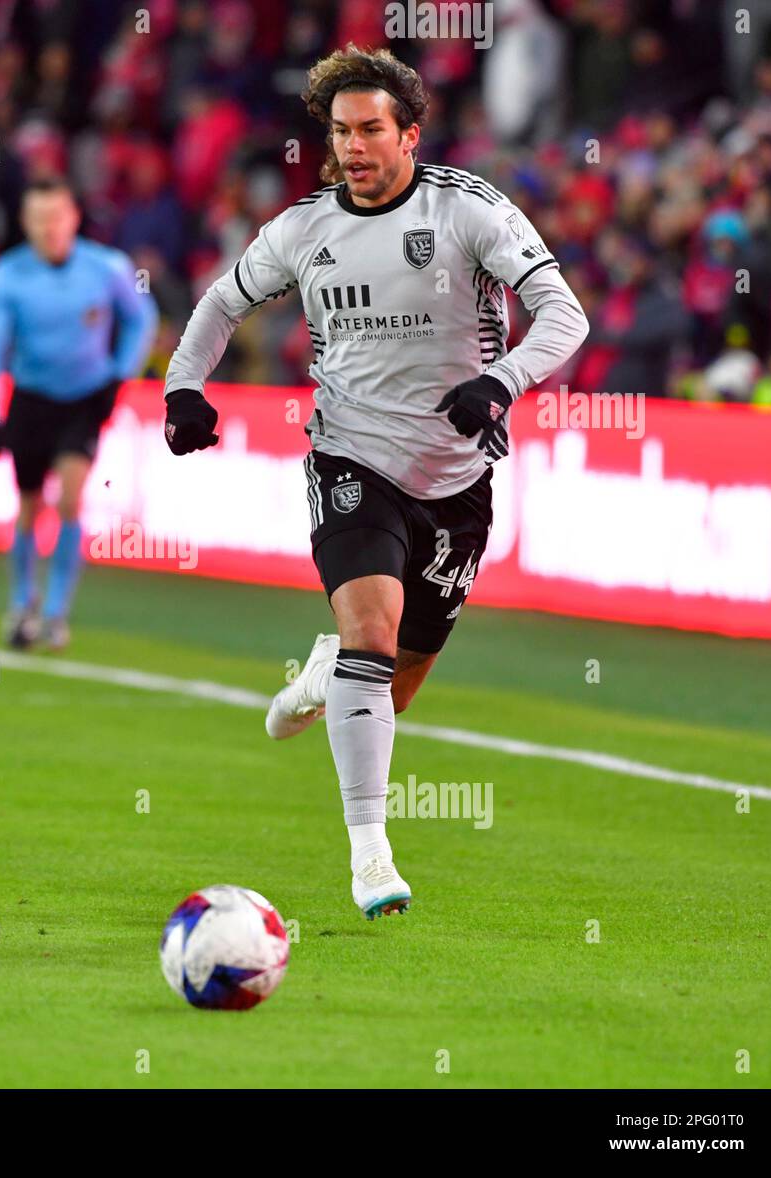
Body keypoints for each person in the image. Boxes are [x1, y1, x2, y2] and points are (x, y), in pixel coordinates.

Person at [163, 46, 589, 919]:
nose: (353, 148)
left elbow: (565, 314)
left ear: (409, 136)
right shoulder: (303, 228)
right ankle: (370, 860)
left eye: (370, 131)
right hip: (349, 454)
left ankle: (326, 676)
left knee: (393, 675)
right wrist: (182, 386)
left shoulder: (468, 211)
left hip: (458, 480)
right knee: (371, 631)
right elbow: (219, 303)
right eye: (340, 132)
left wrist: (499, 381)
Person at [0, 178, 158, 651]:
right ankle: (22, 603)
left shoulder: (106, 267)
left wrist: (120, 375)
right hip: (31, 400)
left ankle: (56, 614)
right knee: (29, 506)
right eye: (39, 219)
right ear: (25, 223)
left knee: (70, 500)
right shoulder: (6, 277)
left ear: (73, 218)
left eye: (57, 217)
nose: (49, 228)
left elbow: (141, 318)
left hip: (84, 400)